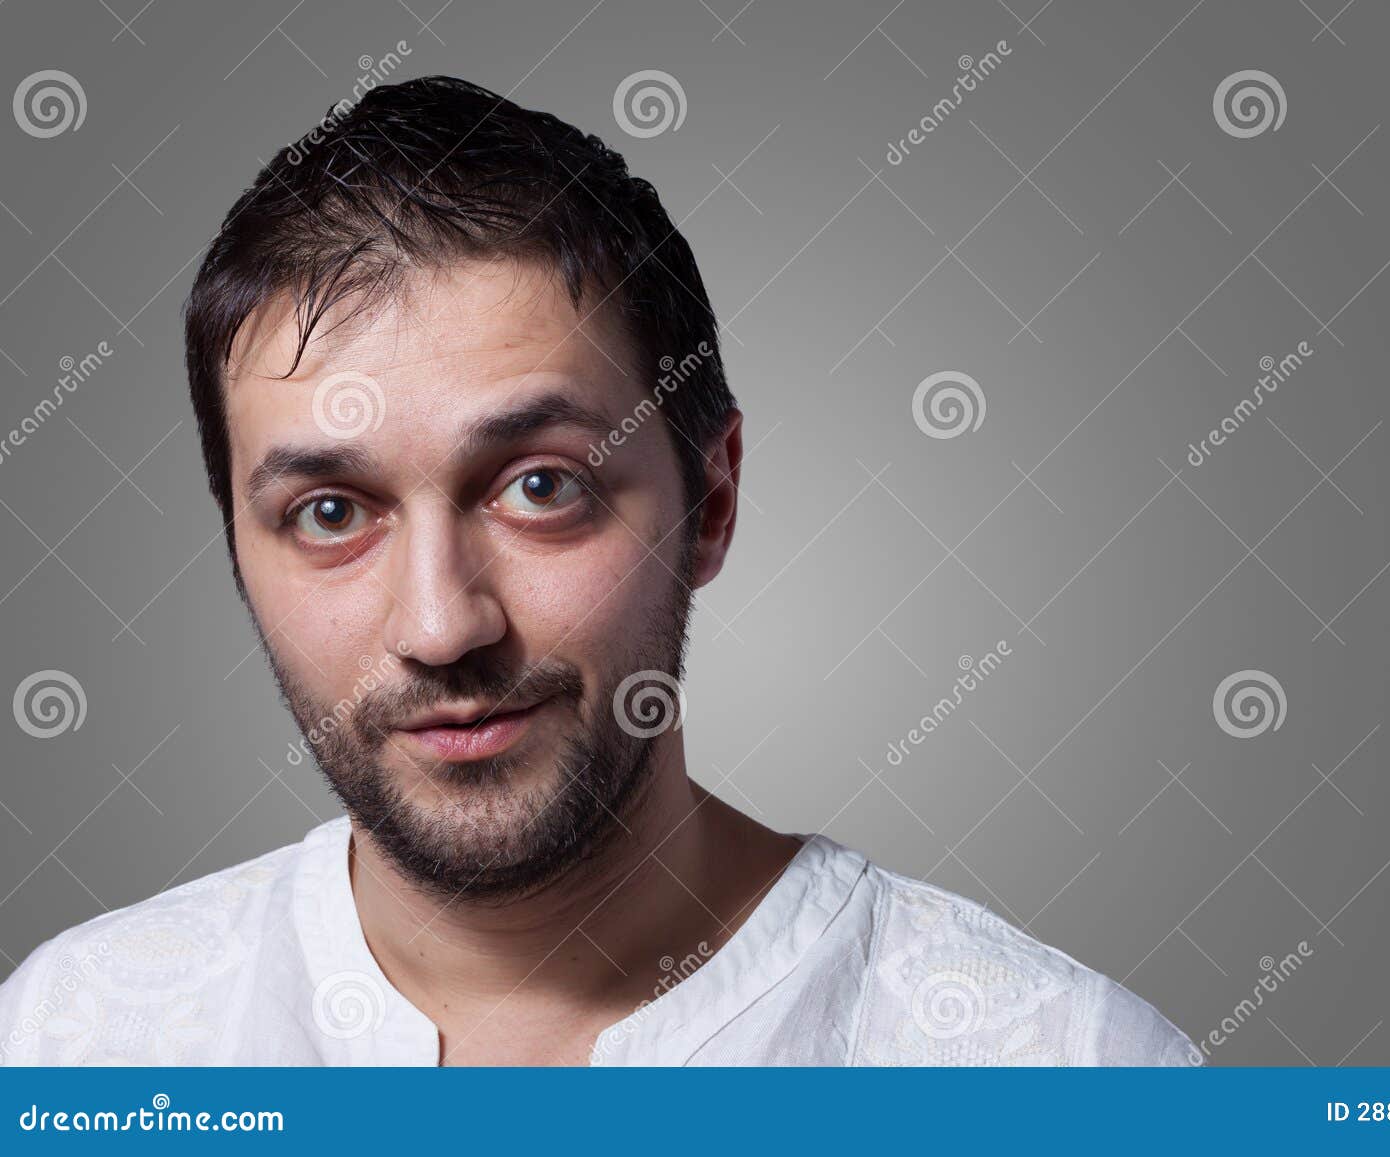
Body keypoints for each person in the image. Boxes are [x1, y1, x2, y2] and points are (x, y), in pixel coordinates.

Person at [0, 77, 1194, 1067]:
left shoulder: (1065, 1071)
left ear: (709, 500)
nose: (440, 624)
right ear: (235, 547)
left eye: (539, 486)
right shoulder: (76, 1041)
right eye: (328, 511)